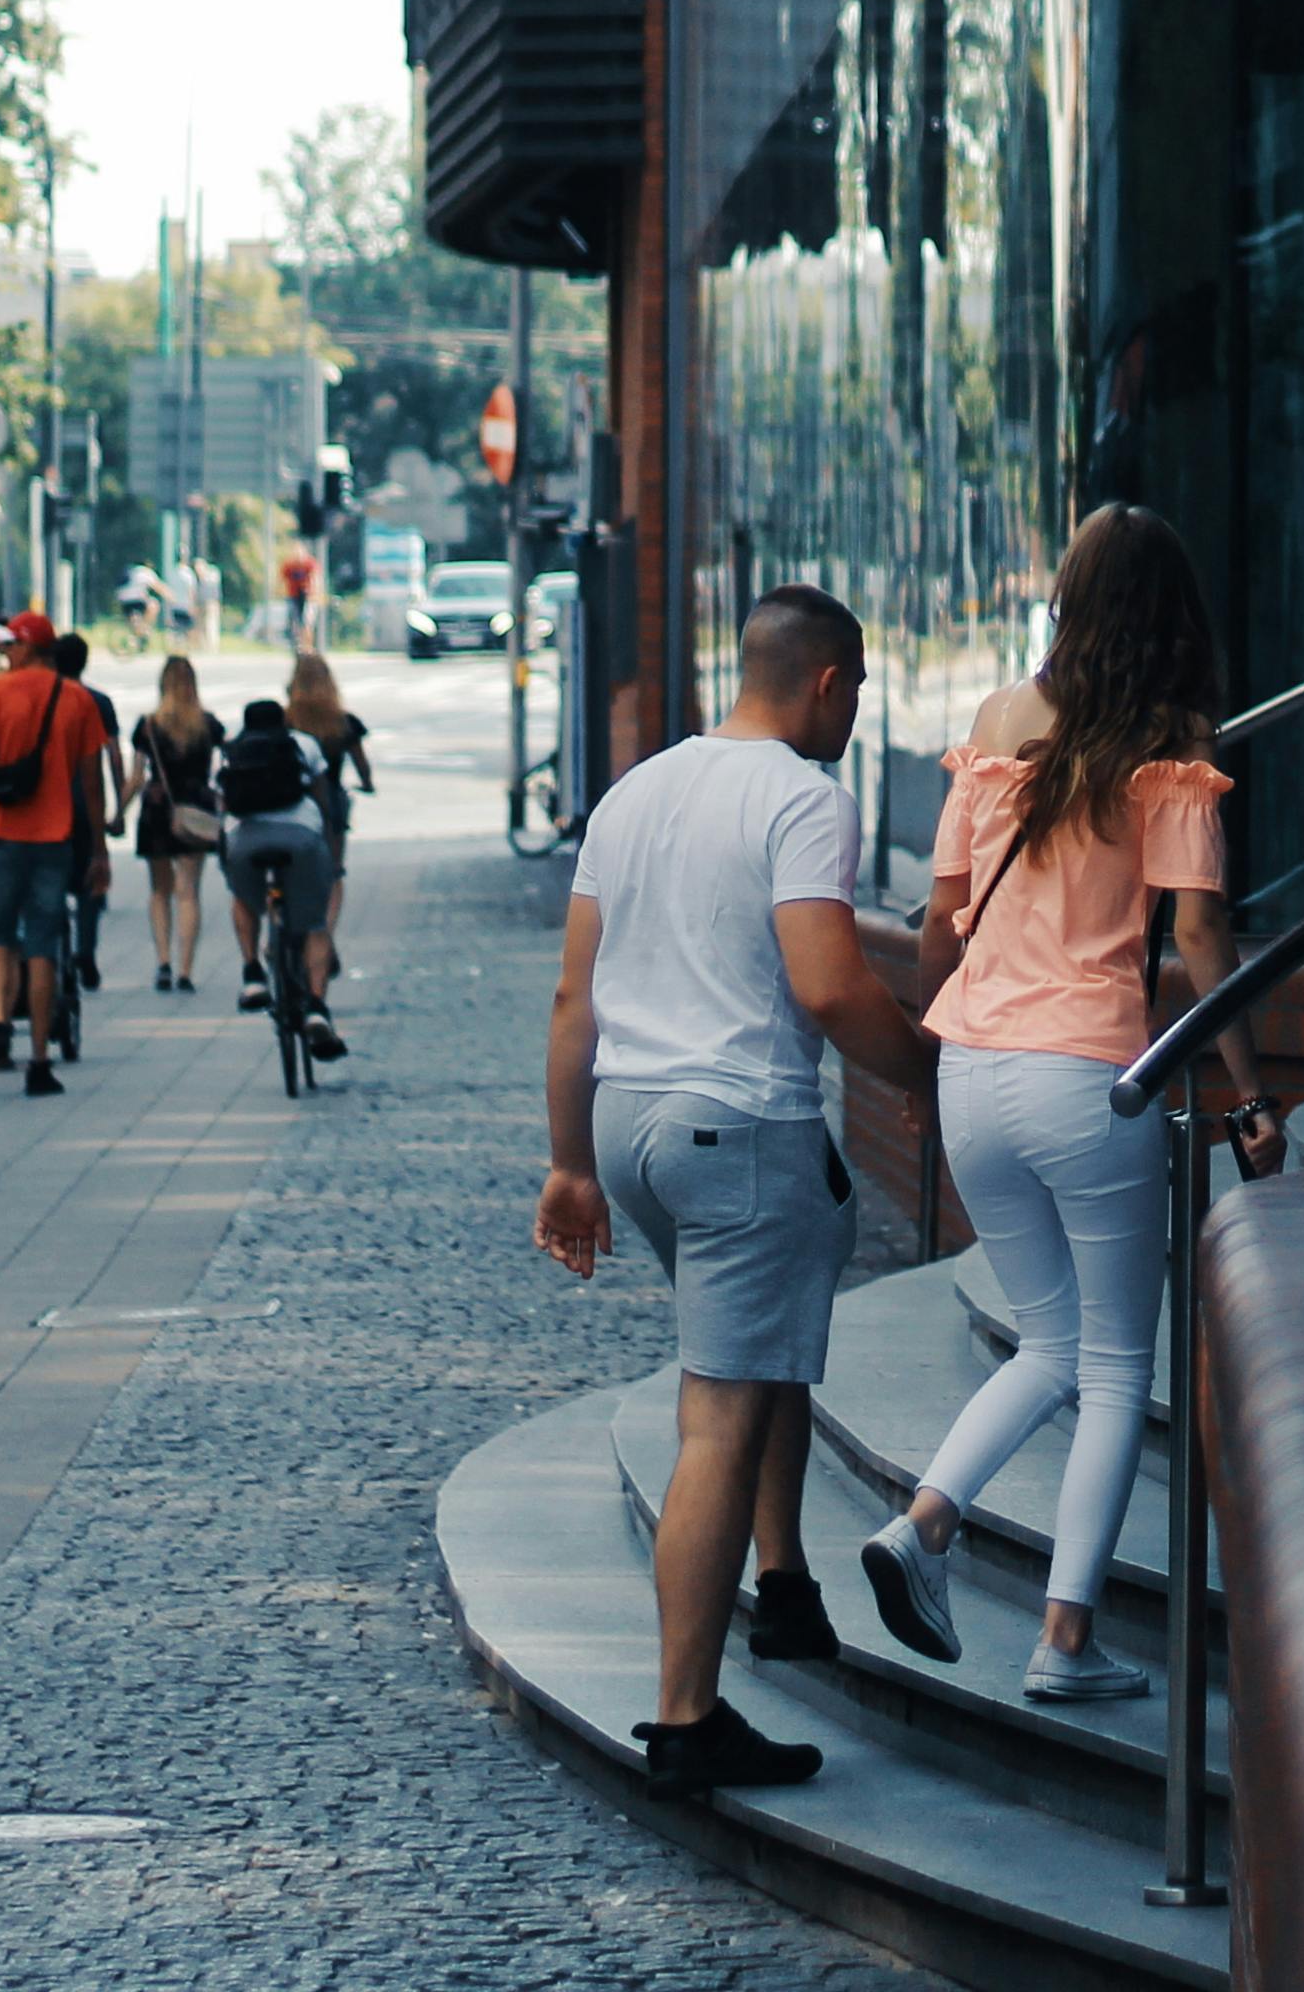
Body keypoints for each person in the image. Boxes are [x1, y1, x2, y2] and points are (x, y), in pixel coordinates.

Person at [862, 508, 1271, 1713]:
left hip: (975, 1065)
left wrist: (944, 1037)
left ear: (1070, 597)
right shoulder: (1169, 747)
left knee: (1048, 1345)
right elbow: (1197, 935)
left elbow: (942, 914)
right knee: (1109, 1367)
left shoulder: (997, 724)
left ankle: (927, 1521)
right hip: (1089, 1074)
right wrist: (1251, 1097)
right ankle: (1065, 1636)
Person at [536, 587, 937, 1791]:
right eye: (858, 690)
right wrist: (929, 1066)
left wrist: (566, 1164)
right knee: (717, 1415)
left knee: (748, 1365)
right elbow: (826, 985)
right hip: (739, 1127)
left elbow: (574, 1000)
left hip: (630, 1129)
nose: (859, 713)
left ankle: (786, 1583)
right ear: (825, 683)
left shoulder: (636, 792)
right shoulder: (805, 800)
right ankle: (687, 1714)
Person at [0, 612, 80, 1090]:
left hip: (3, 834)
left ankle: (1, 1021)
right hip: (54, 838)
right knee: (43, 945)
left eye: (11, 646)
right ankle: (41, 1060)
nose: (5, 654)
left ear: (31, 647)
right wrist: (100, 850)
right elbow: (87, 777)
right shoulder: (76, 698)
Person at [214, 699, 347, 1059]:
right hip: (301, 839)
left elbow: (222, 806)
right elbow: (323, 800)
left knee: (242, 899)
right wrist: (330, 851)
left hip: (246, 843)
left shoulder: (229, 750)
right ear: (284, 721)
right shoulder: (304, 744)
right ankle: (317, 1007)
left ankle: (253, 974)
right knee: (315, 924)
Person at [276, 646, 376, 997]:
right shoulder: (343, 722)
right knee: (333, 874)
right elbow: (363, 768)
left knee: (288, 872)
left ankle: (282, 924)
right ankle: (325, 936)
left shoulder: (286, 719)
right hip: (330, 807)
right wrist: (366, 784)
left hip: (291, 805)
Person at [132, 654, 225, 992]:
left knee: (159, 891)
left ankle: (163, 963)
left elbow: (135, 777)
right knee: (189, 892)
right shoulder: (208, 724)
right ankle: (186, 969)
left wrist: (115, 814)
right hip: (196, 810)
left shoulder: (148, 726)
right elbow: (224, 765)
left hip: (158, 809)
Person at [48, 630, 118, 999]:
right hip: (85, 805)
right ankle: (85, 951)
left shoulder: (45, 699)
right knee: (90, 881)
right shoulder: (98, 701)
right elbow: (113, 757)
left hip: (48, 806)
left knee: (51, 881)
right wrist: (120, 805)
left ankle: (54, 947)